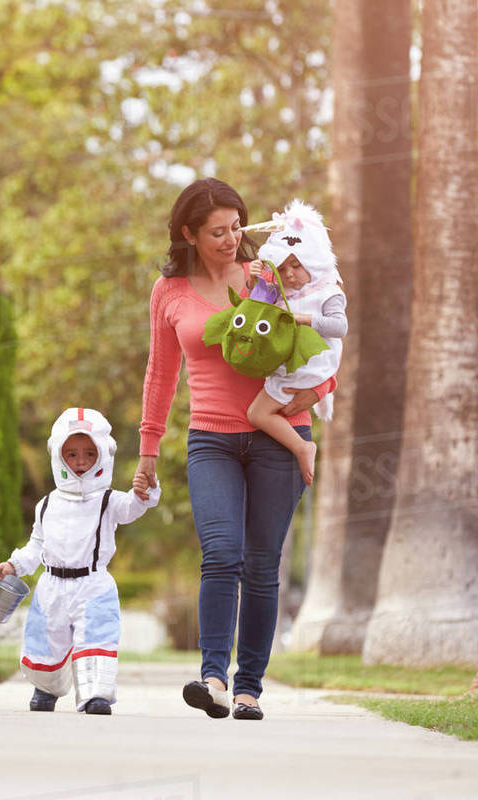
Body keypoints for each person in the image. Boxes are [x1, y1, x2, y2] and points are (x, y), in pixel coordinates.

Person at [135, 178, 336, 721]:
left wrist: (317, 394)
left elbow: (322, 348)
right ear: (189, 233)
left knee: (262, 564)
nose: (229, 240)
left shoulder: (267, 276)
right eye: (216, 232)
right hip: (211, 440)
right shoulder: (169, 291)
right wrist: (148, 450)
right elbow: (160, 373)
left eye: (235, 228)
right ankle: (213, 678)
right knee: (222, 553)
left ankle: (249, 688)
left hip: (279, 435)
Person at [0, 407, 160, 715]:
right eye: (71, 454)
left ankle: (95, 693)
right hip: (51, 586)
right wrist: (13, 565)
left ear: (103, 455)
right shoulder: (46, 504)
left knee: (96, 637)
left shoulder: (109, 501)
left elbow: (132, 508)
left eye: (88, 453)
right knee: (47, 640)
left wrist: (143, 493)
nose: (80, 461)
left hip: (92, 585)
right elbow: (36, 546)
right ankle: (46, 688)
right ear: (58, 456)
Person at [243, 199, 347, 485]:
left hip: (309, 372)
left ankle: (303, 447)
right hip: (290, 370)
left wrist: (304, 320)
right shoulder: (282, 292)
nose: (289, 275)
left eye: (296, 266)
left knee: (257, 413)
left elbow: (340, 327)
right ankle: (301, 446)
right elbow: (257, 306)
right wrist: (255, 281)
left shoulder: (328, 292)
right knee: (258, 413)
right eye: (283, 268)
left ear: (312, 262)